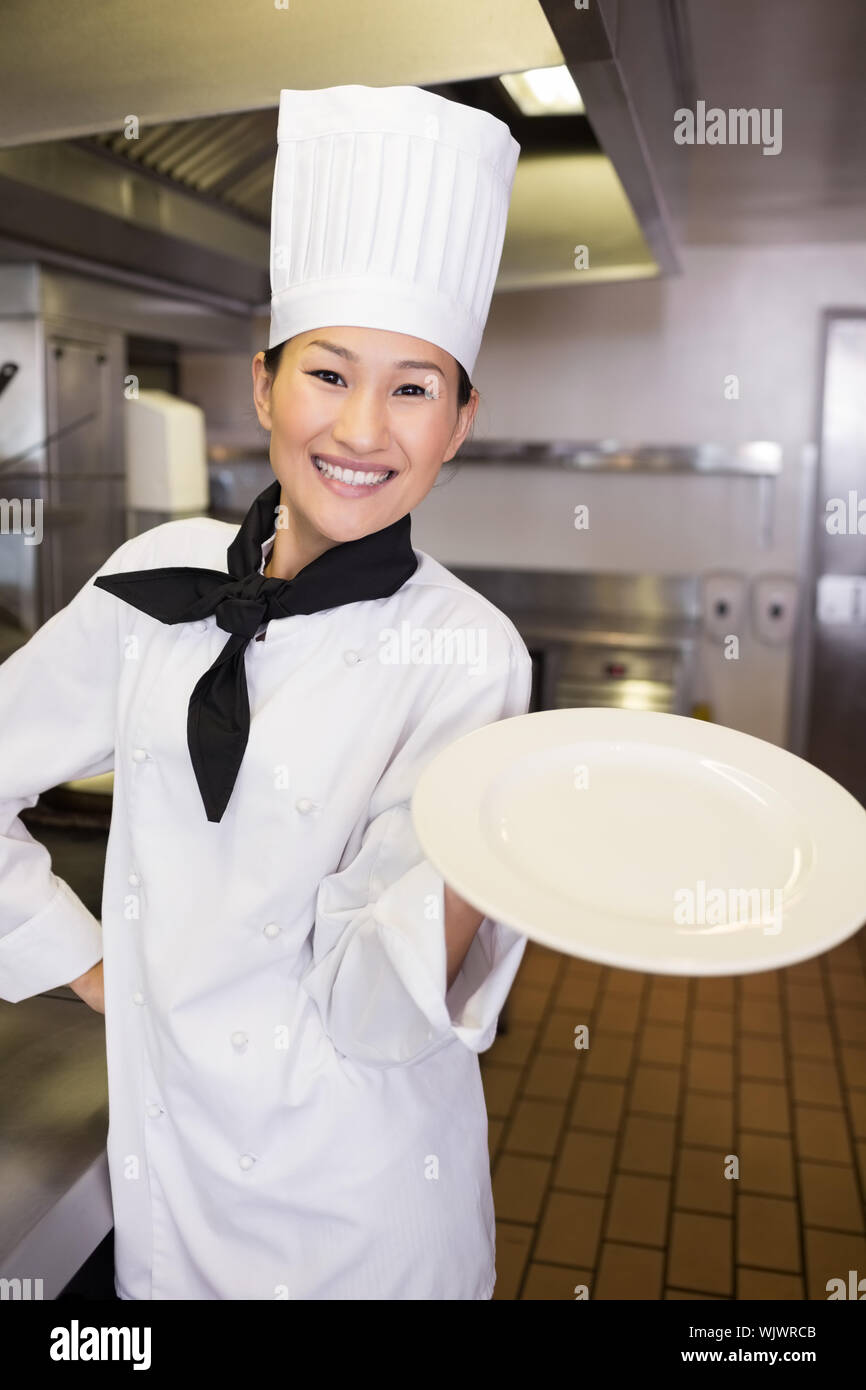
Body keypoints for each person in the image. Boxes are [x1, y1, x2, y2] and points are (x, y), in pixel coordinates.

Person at [0, 84, 530, 1300]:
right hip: (165, 1174)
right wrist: (79, 957)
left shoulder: (469, 651)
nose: (362, 426)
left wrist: (508, 852)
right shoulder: (154, 581)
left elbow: (376, 1005)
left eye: (412, 388)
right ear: (261, 385)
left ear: (457, 425)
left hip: (358, 1209)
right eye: (328, 373)